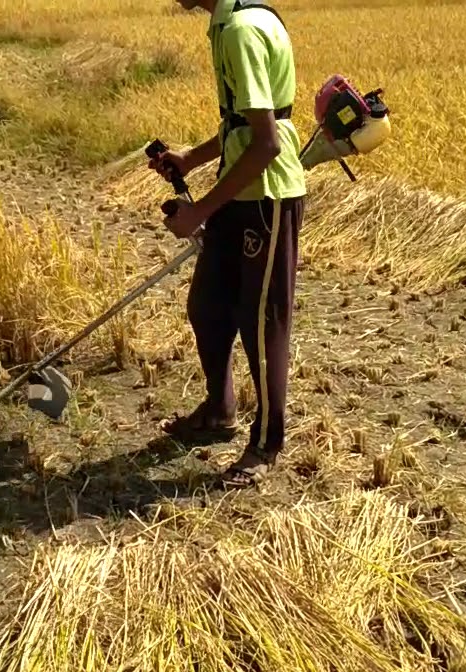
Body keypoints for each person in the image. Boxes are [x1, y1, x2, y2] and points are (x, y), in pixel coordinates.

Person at [149, 0, 306, 483]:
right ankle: (219, 409)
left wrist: (199, 210)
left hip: (266, 195)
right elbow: (242, 124)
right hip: (240, 187)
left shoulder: (240, 30)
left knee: (261, 324)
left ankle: (265, 444)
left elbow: (267, 143)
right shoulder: (226, 24)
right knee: (208, 306)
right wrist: (190, 158)